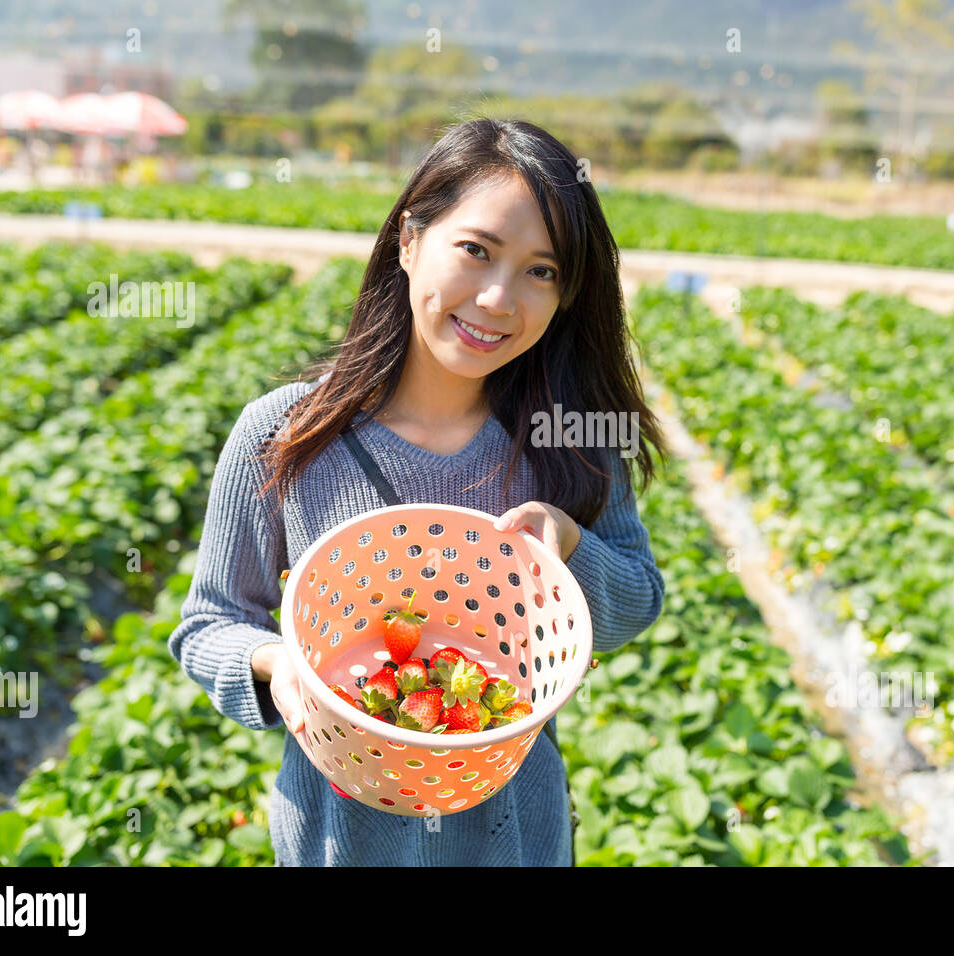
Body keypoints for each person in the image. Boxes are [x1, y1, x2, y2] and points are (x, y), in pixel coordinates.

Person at [167, 117, 668, 866]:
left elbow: (638, 597)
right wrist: (282, 665)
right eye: (476, 251)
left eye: (543, 271)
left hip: (514, 842)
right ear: (408, 241)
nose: (499, 298)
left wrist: (566, 542)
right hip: (336, 841)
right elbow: (208, 623)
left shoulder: (574, 439)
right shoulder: (285, 436)